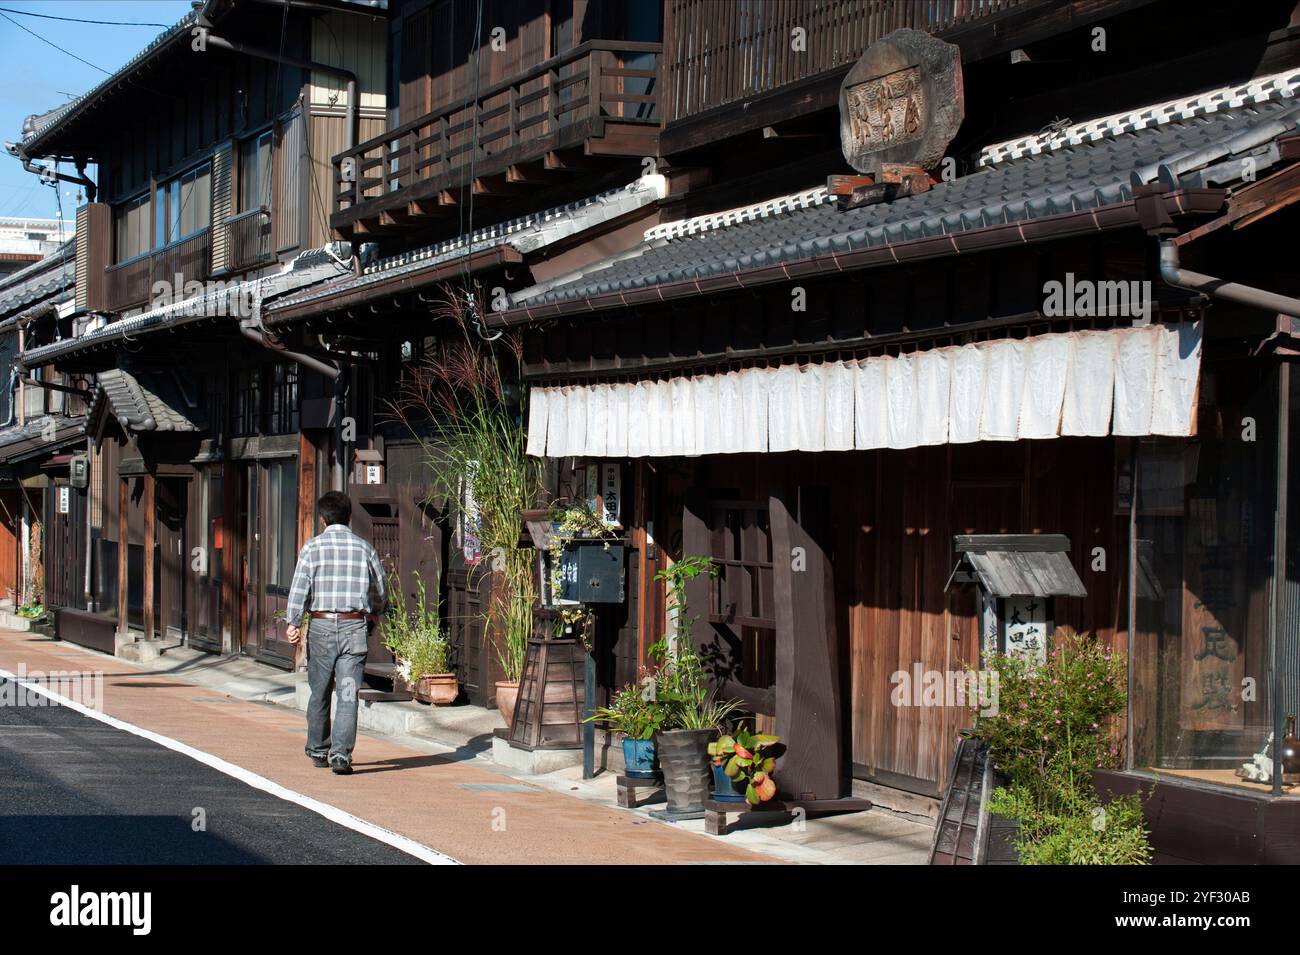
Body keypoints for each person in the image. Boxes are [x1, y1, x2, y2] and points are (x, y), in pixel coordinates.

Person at [285, 491, 386, 775]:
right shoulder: (365, 548)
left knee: (320, 690)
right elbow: (381, 587)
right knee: (348, 692)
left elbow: (299, 587)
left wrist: (293, 623)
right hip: (354, 626)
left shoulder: (311, 548)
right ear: (349, 516)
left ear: (322, 518)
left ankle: (318, 749)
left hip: (321, 626)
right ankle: (341, 755)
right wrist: (376, 612)